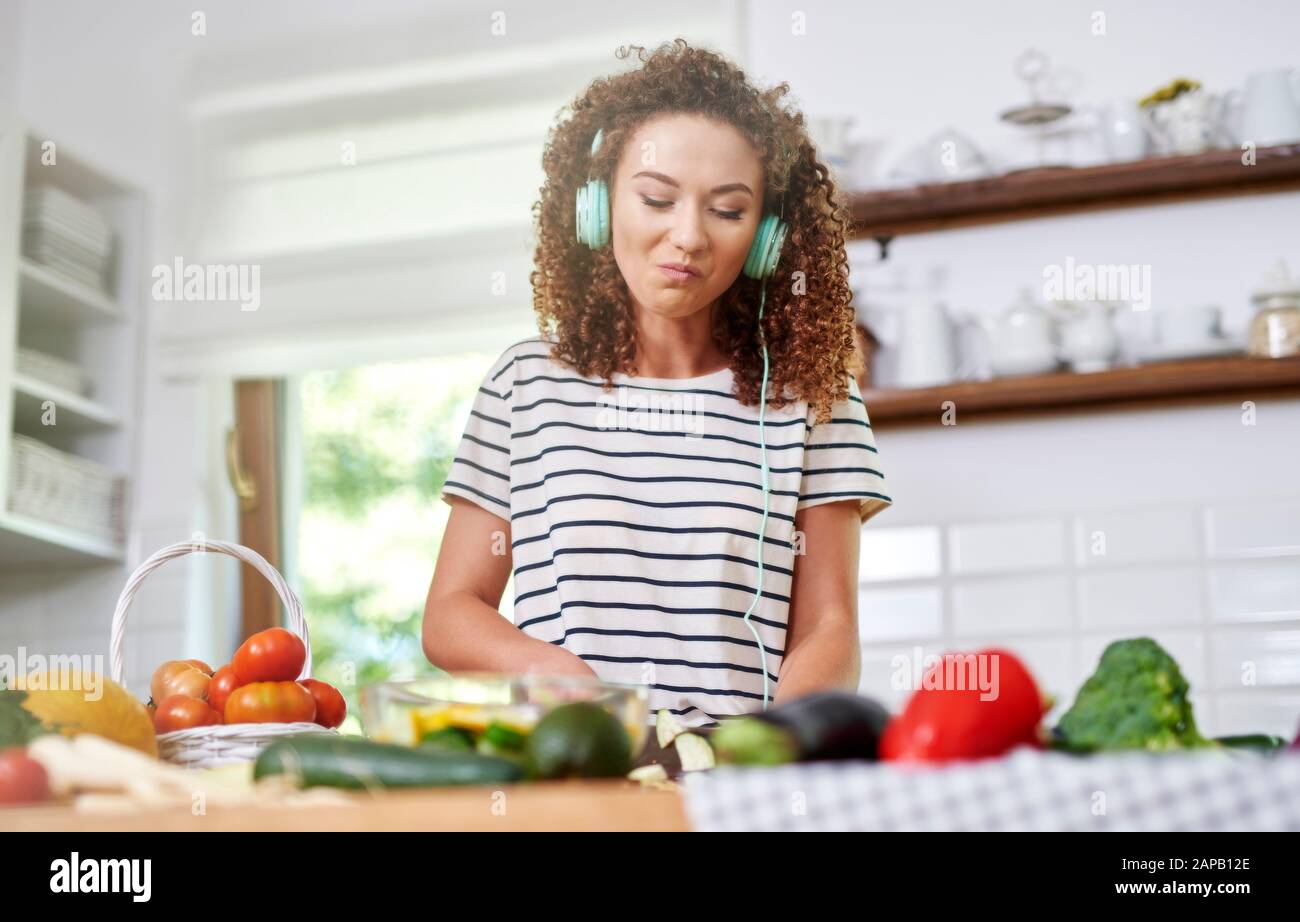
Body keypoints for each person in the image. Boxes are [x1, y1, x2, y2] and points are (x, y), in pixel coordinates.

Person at [422, 39, 891, 730]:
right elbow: (451, 614)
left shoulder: (814, 398)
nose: (689, 236)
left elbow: (829, 626)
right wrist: (558, 675)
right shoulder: (525, 385)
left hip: (736, 782)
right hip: (578, 769)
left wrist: (773, 754)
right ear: (597, 206)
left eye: (727, 211)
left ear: (765, 239)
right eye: (656, 199)